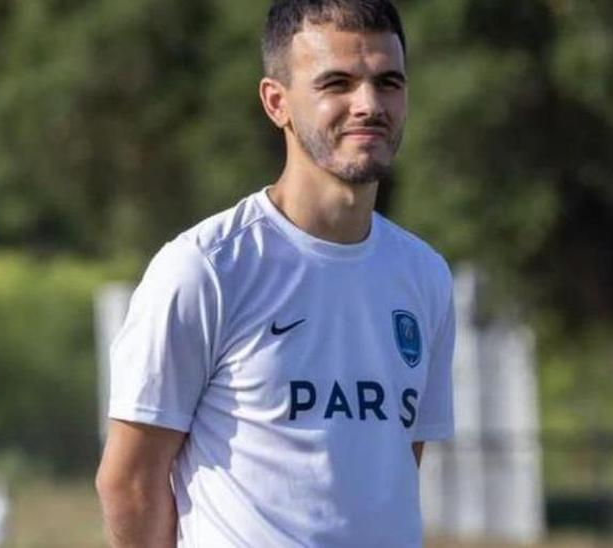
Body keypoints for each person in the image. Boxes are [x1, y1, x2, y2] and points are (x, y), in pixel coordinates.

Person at [95, 1, 455, 546]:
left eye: (388, 82)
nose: (368, 104)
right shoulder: (207, 269)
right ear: (276, 102)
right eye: (337, 83)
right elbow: (131, 482)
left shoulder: (424, 276)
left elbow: (398, 466)